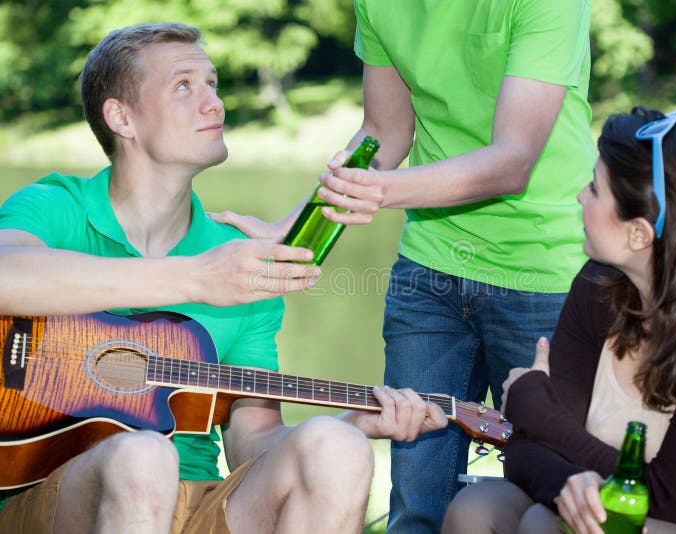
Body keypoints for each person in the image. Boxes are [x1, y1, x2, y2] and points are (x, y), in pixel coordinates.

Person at [0, 22, 447, 534]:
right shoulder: (58, 208)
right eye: (184, 86)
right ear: (121, 117)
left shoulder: (236, 261)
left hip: (197, 500)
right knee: (144, 458)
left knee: (336, 448)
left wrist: (354, 423)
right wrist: (194, 280)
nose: (214, 103)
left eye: (212, 84)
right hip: (55, 494)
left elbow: (252, 441)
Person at [215, 1, 595, 530]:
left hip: (546, 274)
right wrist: (296, 224)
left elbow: (513, 160)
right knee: (417, 505)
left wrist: (380, 192)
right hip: (429, 270)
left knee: (554, 496)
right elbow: (384, 133)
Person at [440, 106, 676, 533]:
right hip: (607, 496)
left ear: (638, 233)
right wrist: (569, 484)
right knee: (475, 509)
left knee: (546, 524)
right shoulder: (599, 286)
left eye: (595, 188)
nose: (580, 196)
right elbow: (527, 447)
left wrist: (536, 410)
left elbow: (664, 495)